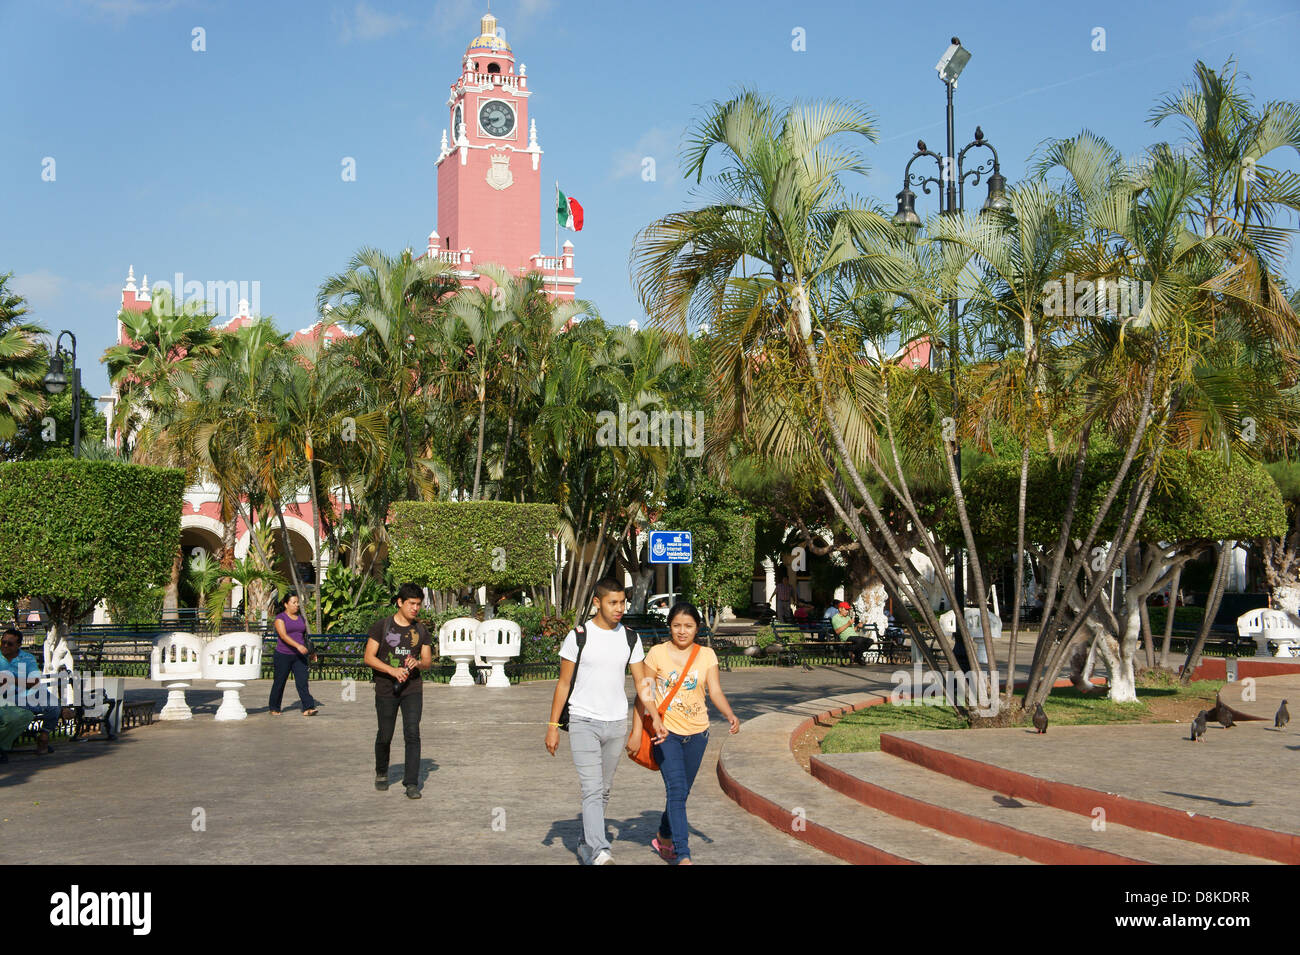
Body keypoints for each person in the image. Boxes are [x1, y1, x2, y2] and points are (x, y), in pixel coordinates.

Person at [545, 577, 665, 865]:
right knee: (592, 787)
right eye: (613, 602)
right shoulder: (578, 636)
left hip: (615, 722)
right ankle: (600, 850)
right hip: (583, 719)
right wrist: (552, 727)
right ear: (597, 602)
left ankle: (587, 842)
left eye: (622, 602)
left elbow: (641, 682)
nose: (620, 608)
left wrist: (655, 715)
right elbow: (563, 684)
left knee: (605, 788)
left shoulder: (630, 638)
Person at [633, 602, 739, 865]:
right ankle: (683, 855)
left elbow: (713, 690)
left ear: (697, 628)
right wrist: (652, 719)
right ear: (669, 626)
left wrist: (729, 713)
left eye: (688, 626)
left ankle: (664, 834)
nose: (682, 631)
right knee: (677, 789)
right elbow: (644, 691)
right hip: (665, 733)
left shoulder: (706, 655)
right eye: (677, 625)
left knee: (681, 793)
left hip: (698, 734)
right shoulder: (656, 653)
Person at [363, 584, 433, 799]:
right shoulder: (381, 627)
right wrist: (392, 670)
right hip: (386, 688)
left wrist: (418, 664)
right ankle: (382, 771)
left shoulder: (421, 631)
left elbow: (428, 661)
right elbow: (369, 657)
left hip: (412, 689)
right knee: (385, 734)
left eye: (418, 604)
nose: (415, 608)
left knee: (412, 733)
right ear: (400, 602)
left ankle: (411, 783)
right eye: (411, 603)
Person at [0, 628, 74, 755]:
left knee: (52, 702)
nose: (5, 646)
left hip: (30, 693)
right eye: (3, 642)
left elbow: (34, 681)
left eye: (10, 644)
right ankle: (56, 718)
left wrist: (11, 680)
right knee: (53, 706)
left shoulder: (27, 658)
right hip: (8, 696)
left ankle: (44, 735)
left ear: (18, 645)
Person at [269, 593, 319, 717]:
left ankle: (308, 707)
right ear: (286, 604)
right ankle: (274, 707)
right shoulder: (280, 618)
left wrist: (311, 652)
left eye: (297, 602)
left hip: (299, 656)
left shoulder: (301, 618)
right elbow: (283, 636)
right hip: (283, 655)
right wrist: (297, 646)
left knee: (302, 681)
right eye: (294, 602)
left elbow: (305, 637)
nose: (297, 605)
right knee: (279, 682)